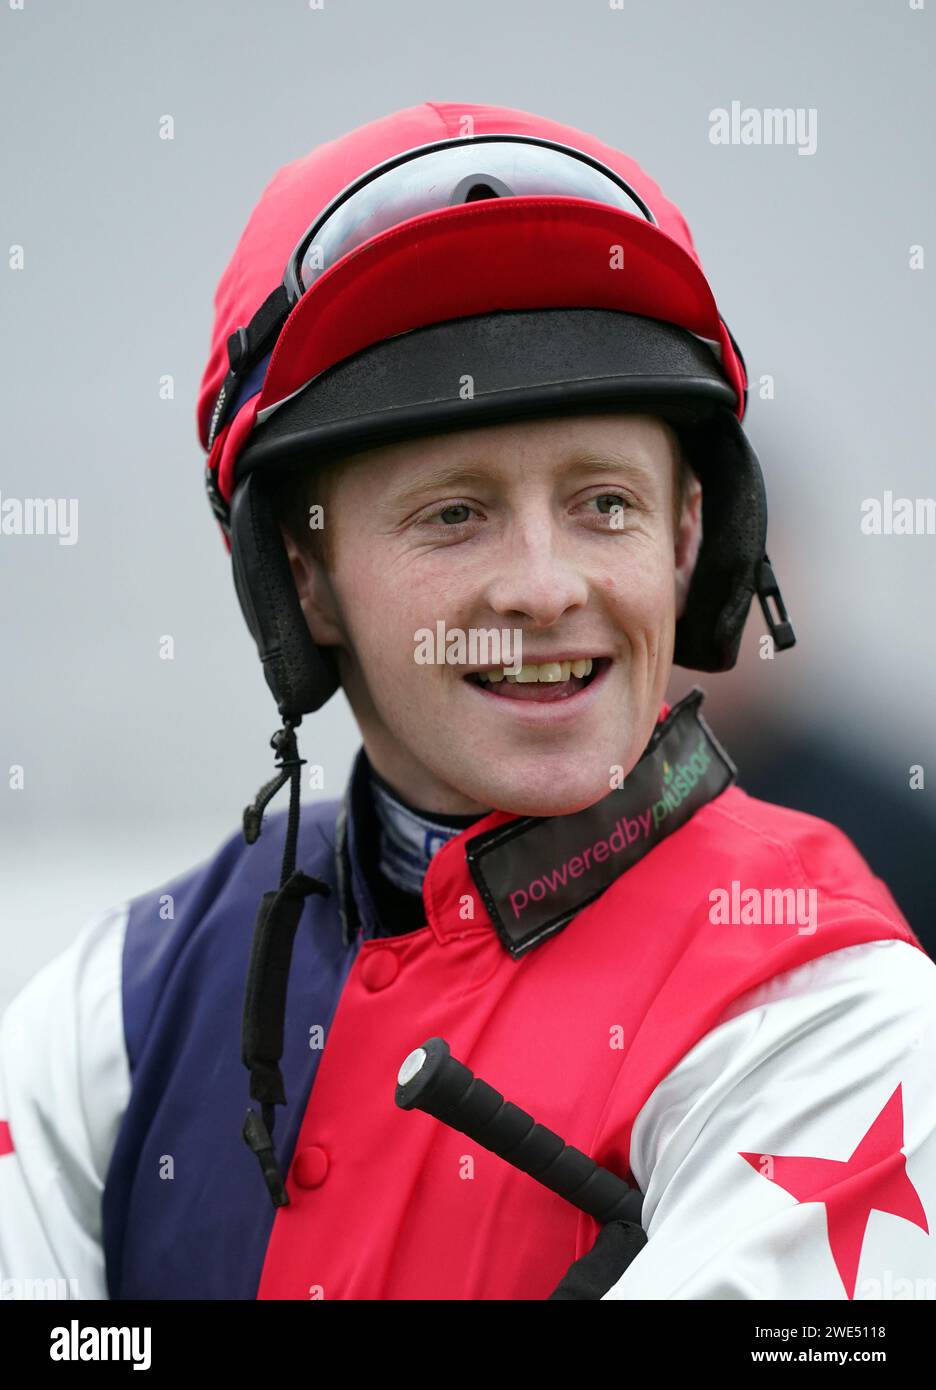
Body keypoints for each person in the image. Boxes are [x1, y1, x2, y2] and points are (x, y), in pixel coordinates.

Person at [1, 101, 933, 1302]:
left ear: (693, 541)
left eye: (605, 503)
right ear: (303, 578)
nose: (546, 588)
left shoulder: (829, 1011)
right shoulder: (113, 1009)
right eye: (455, 512)